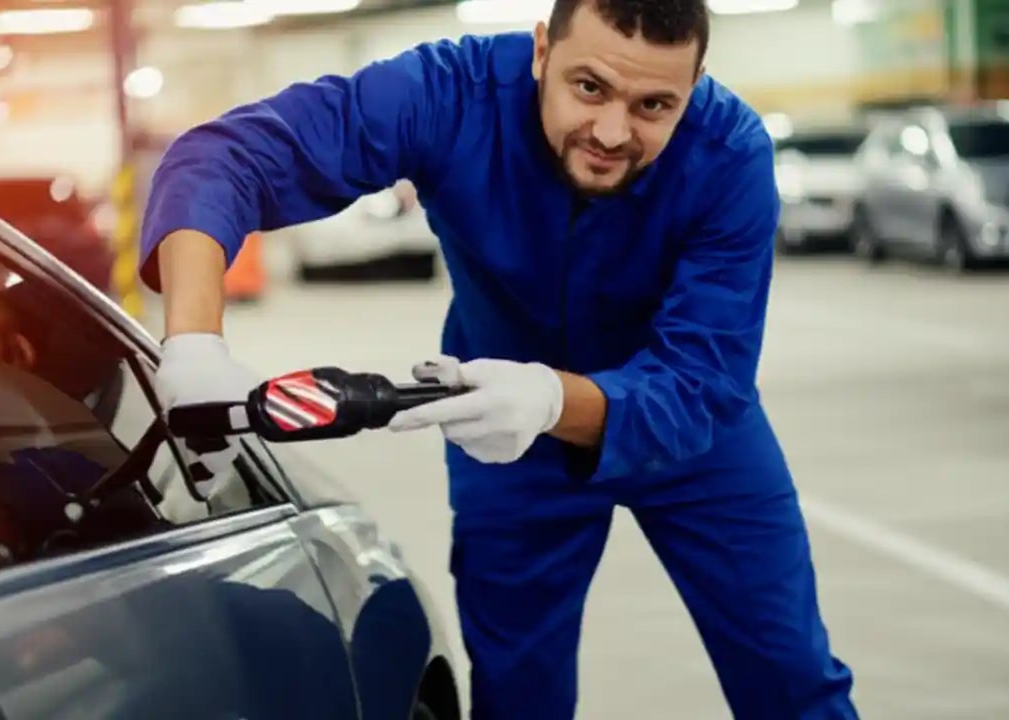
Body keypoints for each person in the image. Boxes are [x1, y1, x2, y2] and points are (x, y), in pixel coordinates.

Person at [138, 0, 858, 717]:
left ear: (696, 85)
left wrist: (551, 400)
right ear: (542, 50)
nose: (611, 131)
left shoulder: (730, 155)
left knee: (791, 680)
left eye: (654, 105)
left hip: (689, 428)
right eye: (590, 87)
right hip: (502, 431)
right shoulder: (449, 96)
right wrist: (194, 346)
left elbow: (704, 379)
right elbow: (224, 157)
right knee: (519, 695)